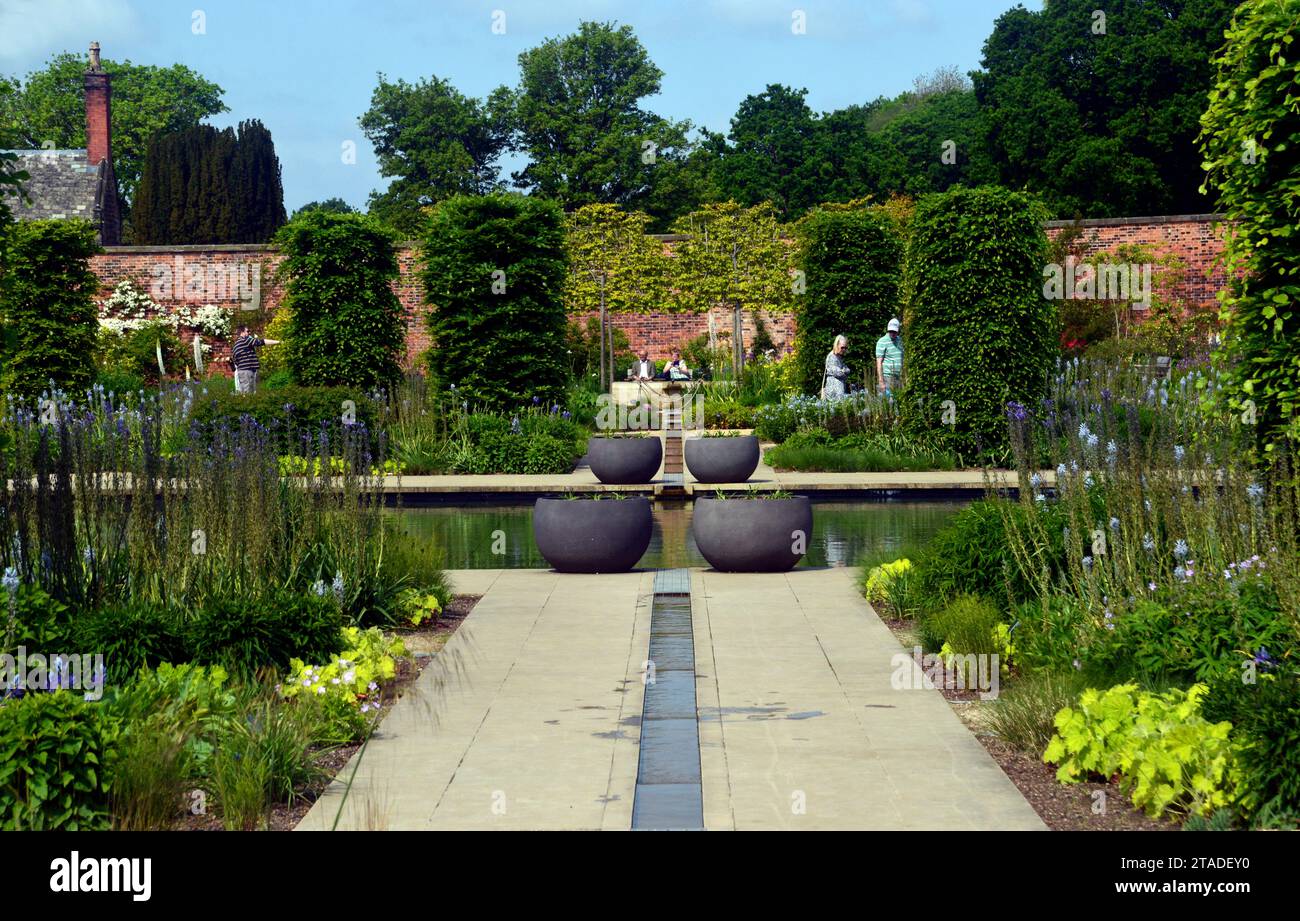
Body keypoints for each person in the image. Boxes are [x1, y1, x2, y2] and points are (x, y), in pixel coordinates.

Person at [232, 324, 280, 394]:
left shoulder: (236, 345)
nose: (249, 333)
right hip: (247, 371)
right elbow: (261, 342)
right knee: (248, 394)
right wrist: (278, 342)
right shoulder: (246, 340)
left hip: (242, 371)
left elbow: (235, 360)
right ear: (242, 332)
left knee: (246, 393)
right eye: (247, 331)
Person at [875, 317, 903, 396]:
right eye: (890, 331)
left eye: (894, 331)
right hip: (887, 377)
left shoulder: (900, 340)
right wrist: (881, 381)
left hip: (899, 376)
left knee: (898, 402)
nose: (892, 333)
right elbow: (879, 362)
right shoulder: (882, 341)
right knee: (888, 403)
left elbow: (902, 358)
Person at [822, 334, 849, 400]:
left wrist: (844, 371)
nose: (844, 350)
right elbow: (838, 373)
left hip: (839, 391)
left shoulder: (839, 357)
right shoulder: (832, 356)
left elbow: (847, 370)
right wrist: (844, 371)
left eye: (845, 348)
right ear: (837, 345)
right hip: (833, 391)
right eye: (842, 347)